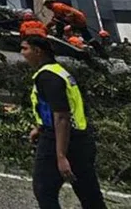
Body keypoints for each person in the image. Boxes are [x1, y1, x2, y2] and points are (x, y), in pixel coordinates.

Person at [21, 35, 107, 209]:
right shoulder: (59, 71)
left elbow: (62, 116)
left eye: (25, 48)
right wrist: (39, 127)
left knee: (44, 190)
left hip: (58, 139)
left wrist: (61, 156)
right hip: (80, 138)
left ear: (38, 51)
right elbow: (55, 107)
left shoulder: (48, 78)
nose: (22, 53)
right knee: (89, 194)